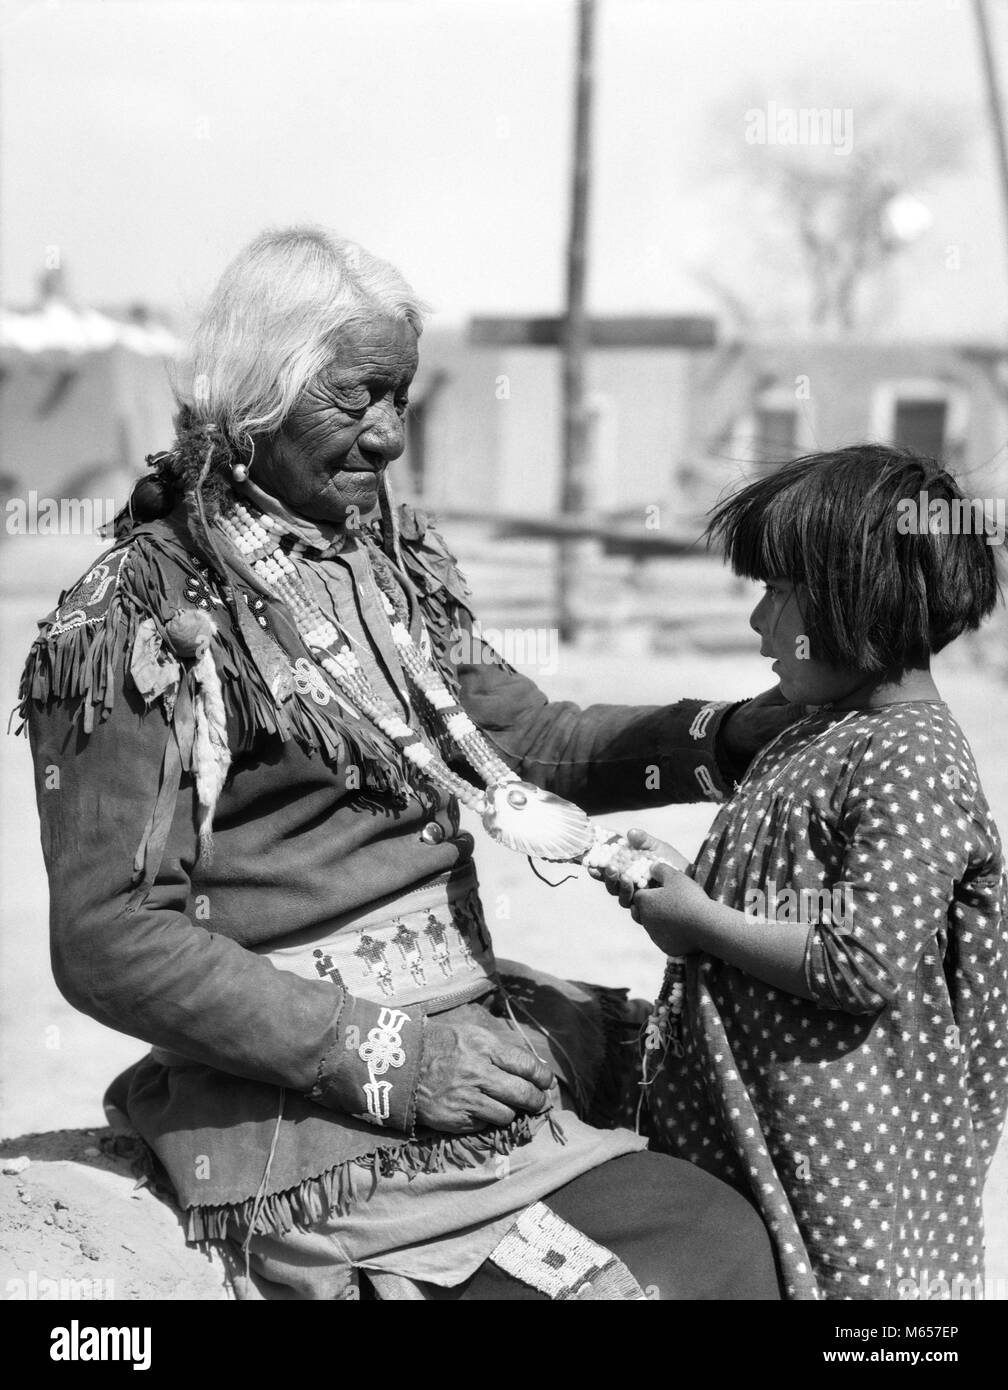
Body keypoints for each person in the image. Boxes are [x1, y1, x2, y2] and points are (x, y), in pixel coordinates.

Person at [18, 226, 789, 1301]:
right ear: (255, 397)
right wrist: (396, 1062)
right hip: (310, 1094)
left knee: (751, 1115)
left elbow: (526, 743)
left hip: (470, 1017)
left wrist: (728, 737)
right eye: (356, 399)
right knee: (689, 1251)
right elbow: (109, 937)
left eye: (401, 398)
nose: (386, 437)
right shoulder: (140, 616)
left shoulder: (388, 561)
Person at [595, 446, 1008, 1299]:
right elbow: (779, 894)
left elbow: (860, 958)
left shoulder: (912, 756)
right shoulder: (811, 731)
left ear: (859, 601)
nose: (758, 624)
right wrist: (683, 882)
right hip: (761, 1116)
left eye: (778, 593)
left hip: (847, 1154)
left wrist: (699, 923)